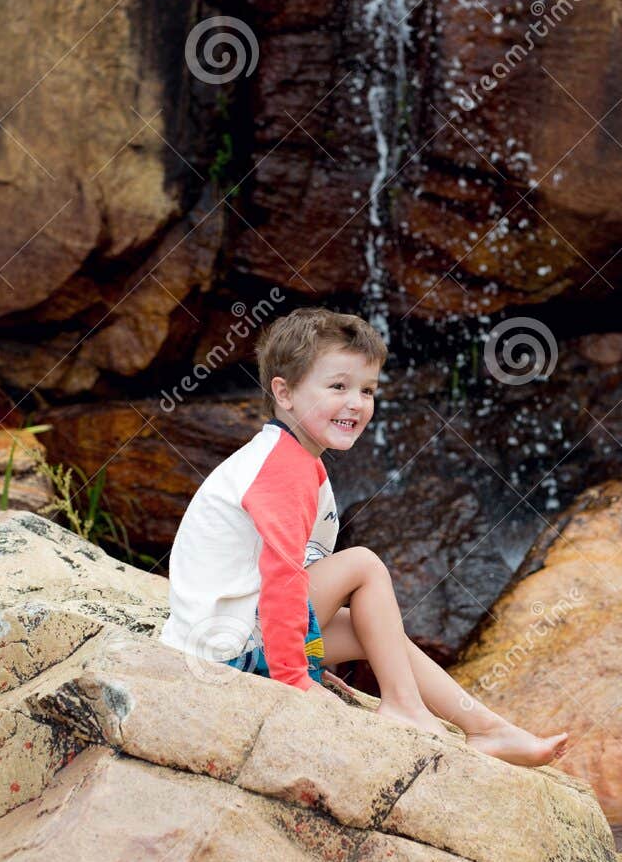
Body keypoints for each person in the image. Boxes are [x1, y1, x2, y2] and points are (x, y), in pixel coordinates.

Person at [160, 306, 569, 767]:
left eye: (368, 390)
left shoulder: (295, 459)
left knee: (373, 628)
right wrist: (297, 680)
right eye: (338, 386)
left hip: (227, 643)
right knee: (364, 565)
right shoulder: (281, 468)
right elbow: (283, 576)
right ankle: (404, 706)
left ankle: (486, 728)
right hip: (227, 653)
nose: (357, 402)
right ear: (285, 392)